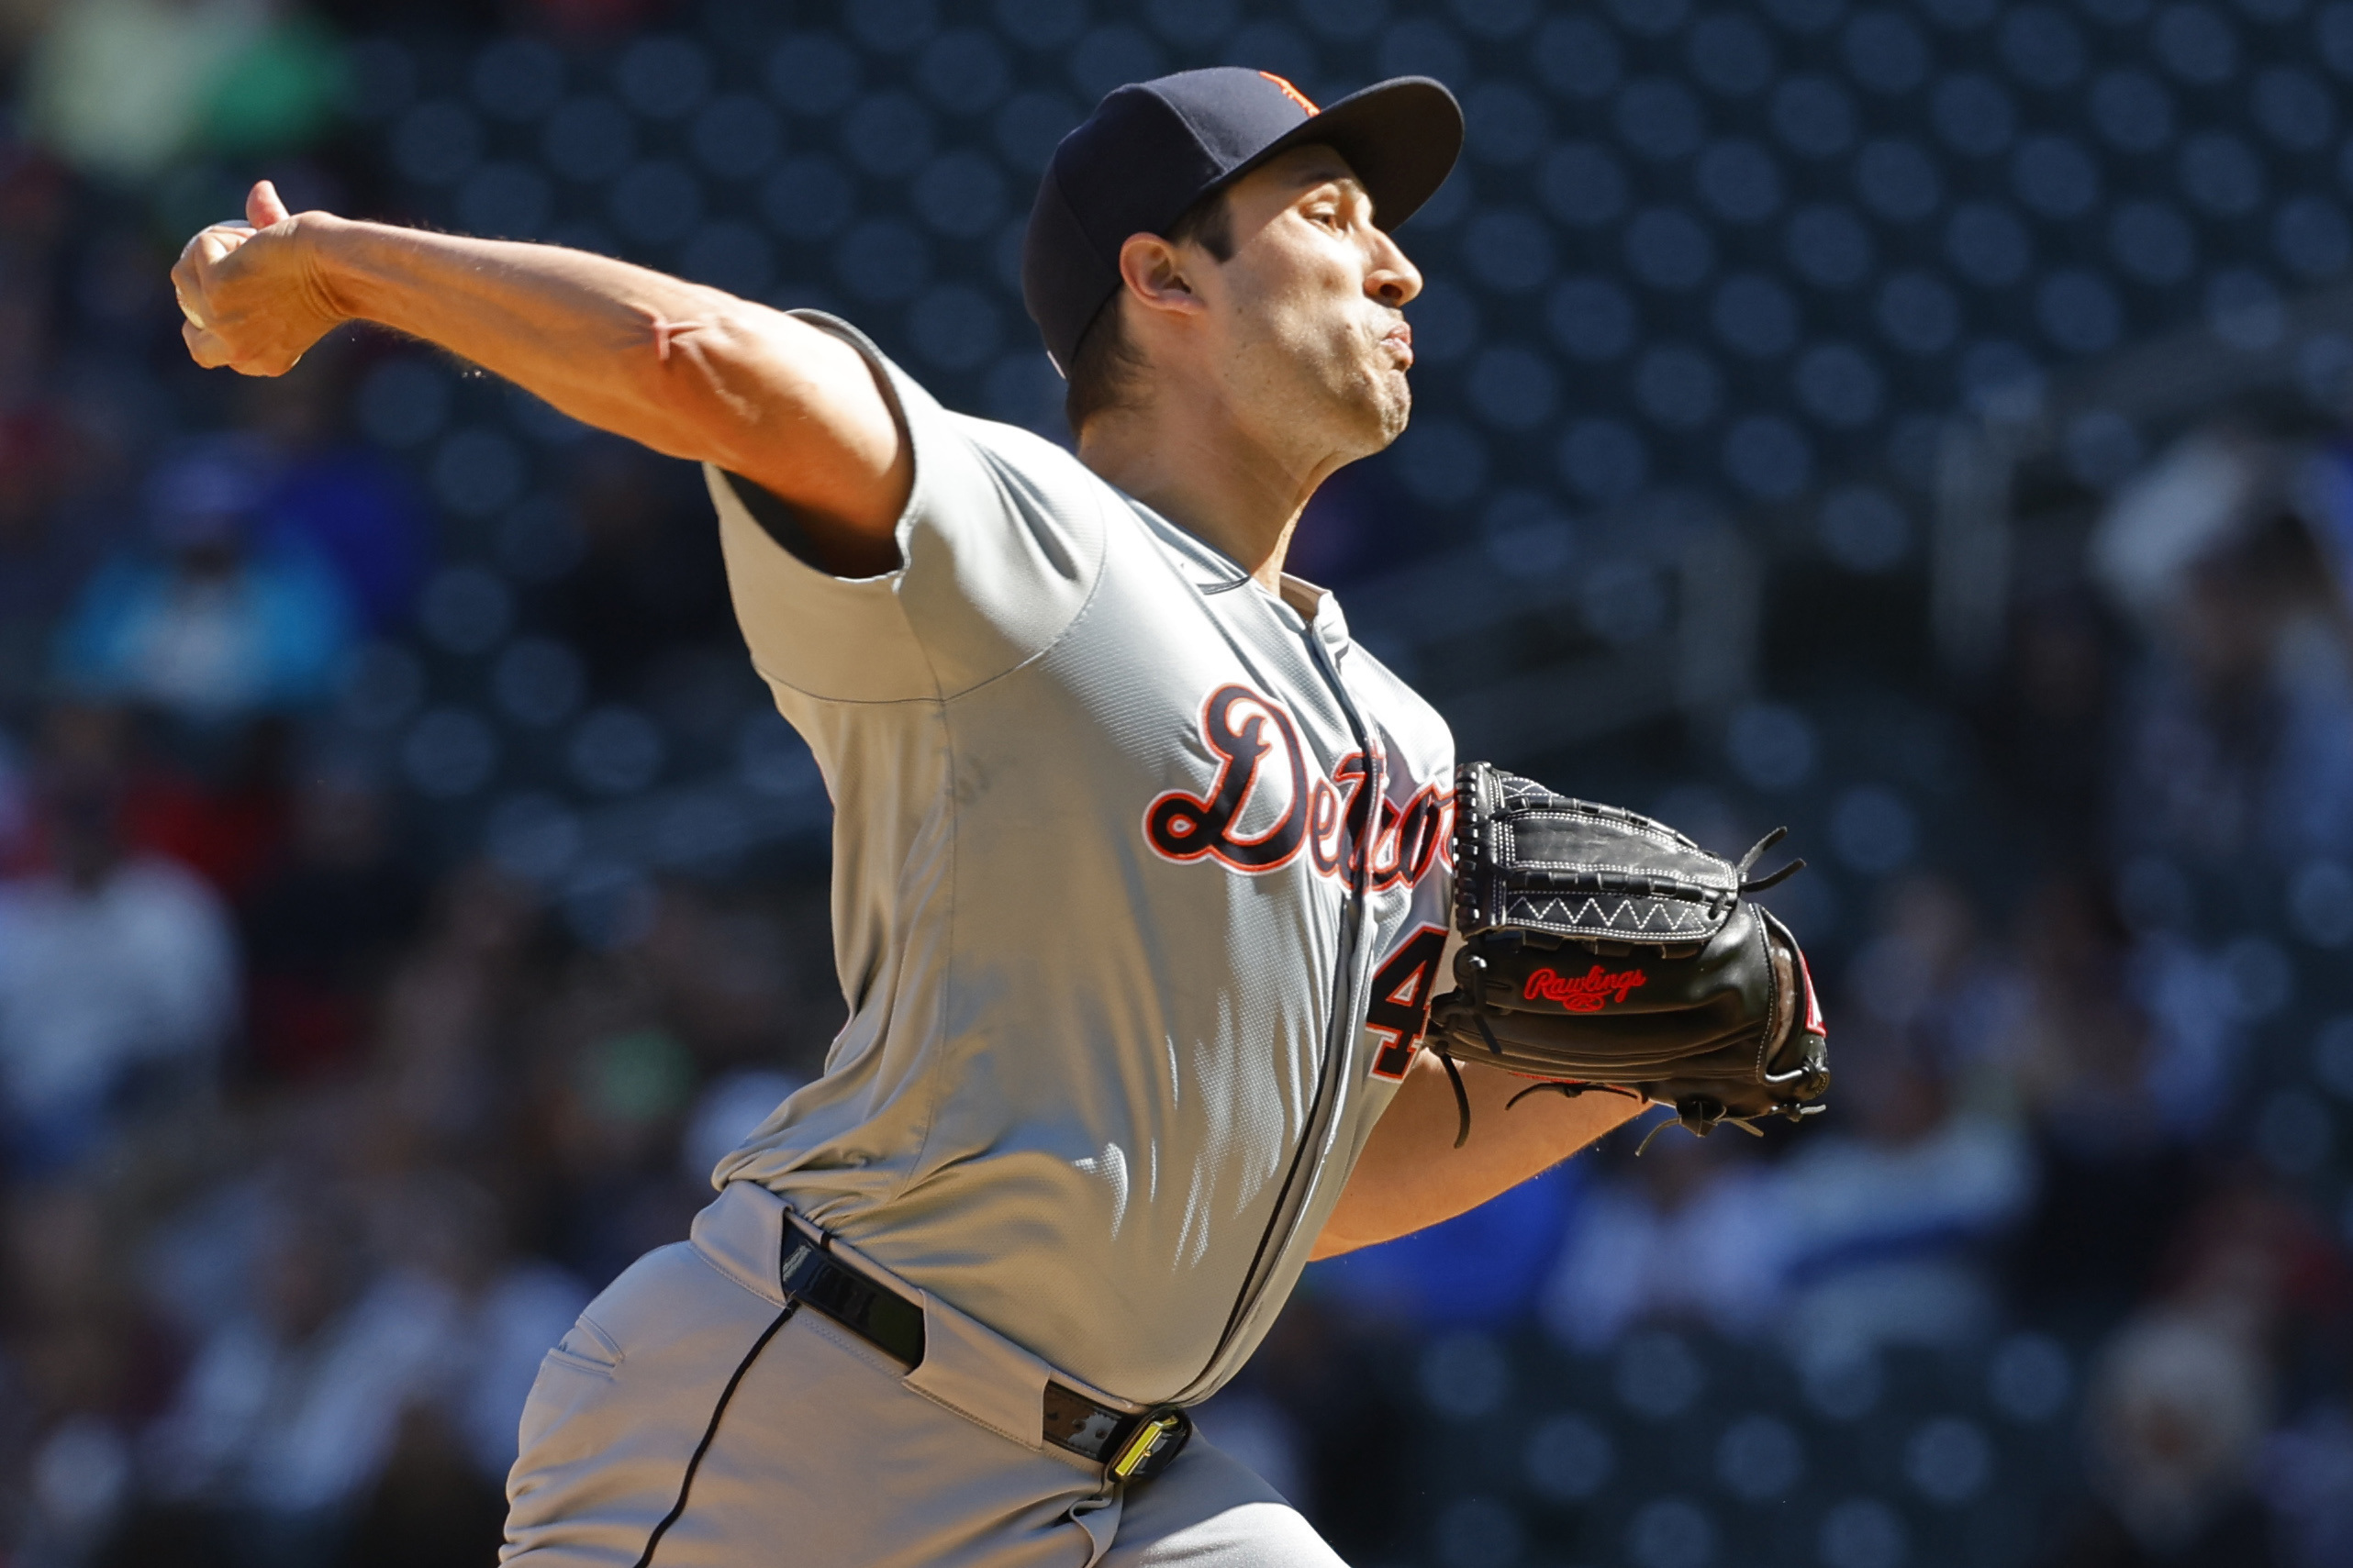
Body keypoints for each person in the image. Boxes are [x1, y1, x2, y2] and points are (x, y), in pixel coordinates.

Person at [172, 66, 1647, 1568]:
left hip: (1121, 1479)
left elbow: (1288, 1181)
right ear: (1161, 277)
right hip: (817, 1416)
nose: (1398, 265)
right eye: (1329, 214)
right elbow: (691, 357)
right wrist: (334, 268)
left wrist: (1647, 1066)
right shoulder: (1038, 540)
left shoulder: (1404, 736)